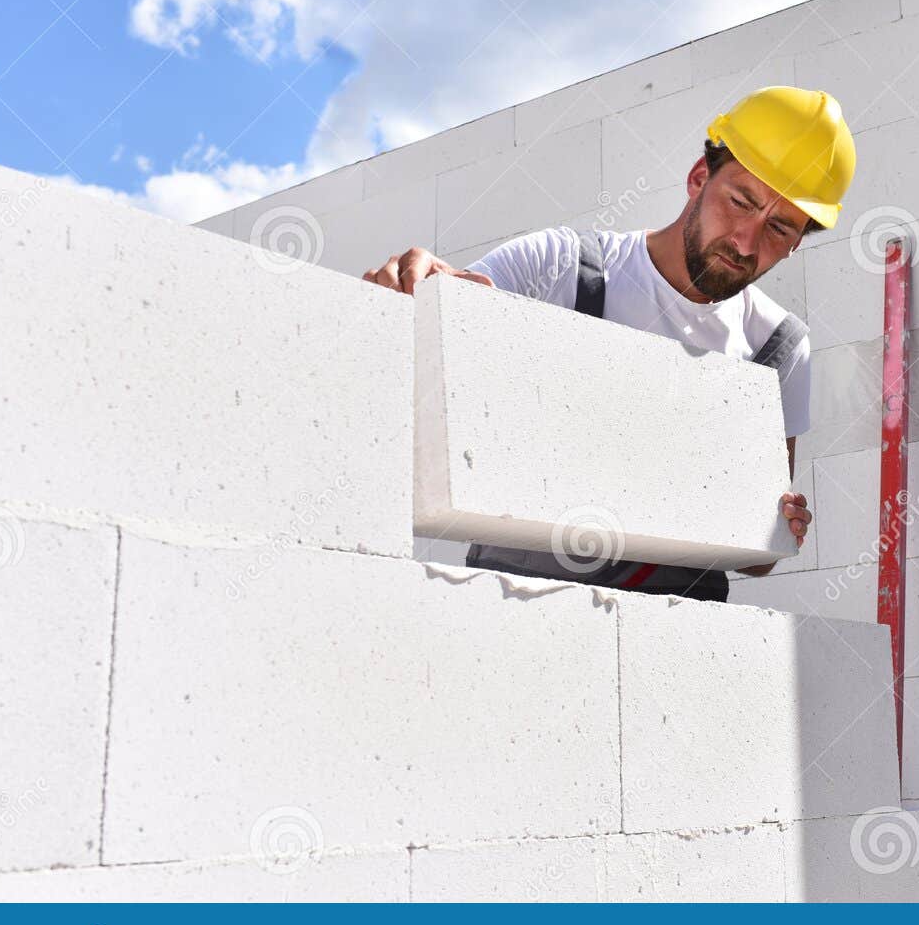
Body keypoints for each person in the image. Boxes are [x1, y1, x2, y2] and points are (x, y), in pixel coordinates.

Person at [364, 85, 857, 601]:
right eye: (740, 202)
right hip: (516, 608)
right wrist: (419, 293)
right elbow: (450, 321)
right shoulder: (559, 268)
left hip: (668, 631)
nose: (745, 242)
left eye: (779, 229)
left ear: (798, 241)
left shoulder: (777, 347)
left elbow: (756, 554)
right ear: (698, 178)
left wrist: (778, 528)